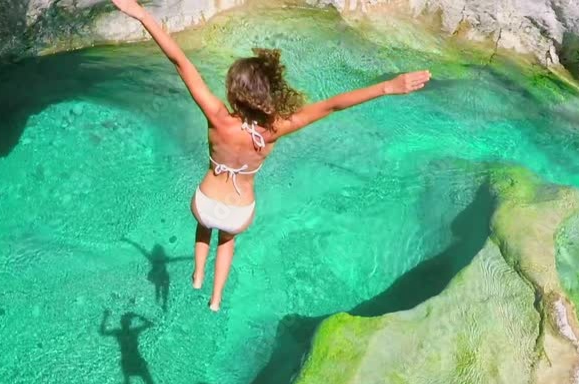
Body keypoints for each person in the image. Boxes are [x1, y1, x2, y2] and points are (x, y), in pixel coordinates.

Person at [111, 0, 431, 311]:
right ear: (265, 95)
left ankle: (197, 275)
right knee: (227, 240)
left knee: (204, 228)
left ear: (235, 94)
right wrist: (387, 87)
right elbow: (332, 105)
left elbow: (180, 61)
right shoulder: (275, 130)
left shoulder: (218, 117)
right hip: (239, 213)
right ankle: (216, 297)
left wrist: (141, 14)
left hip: (206, 202)